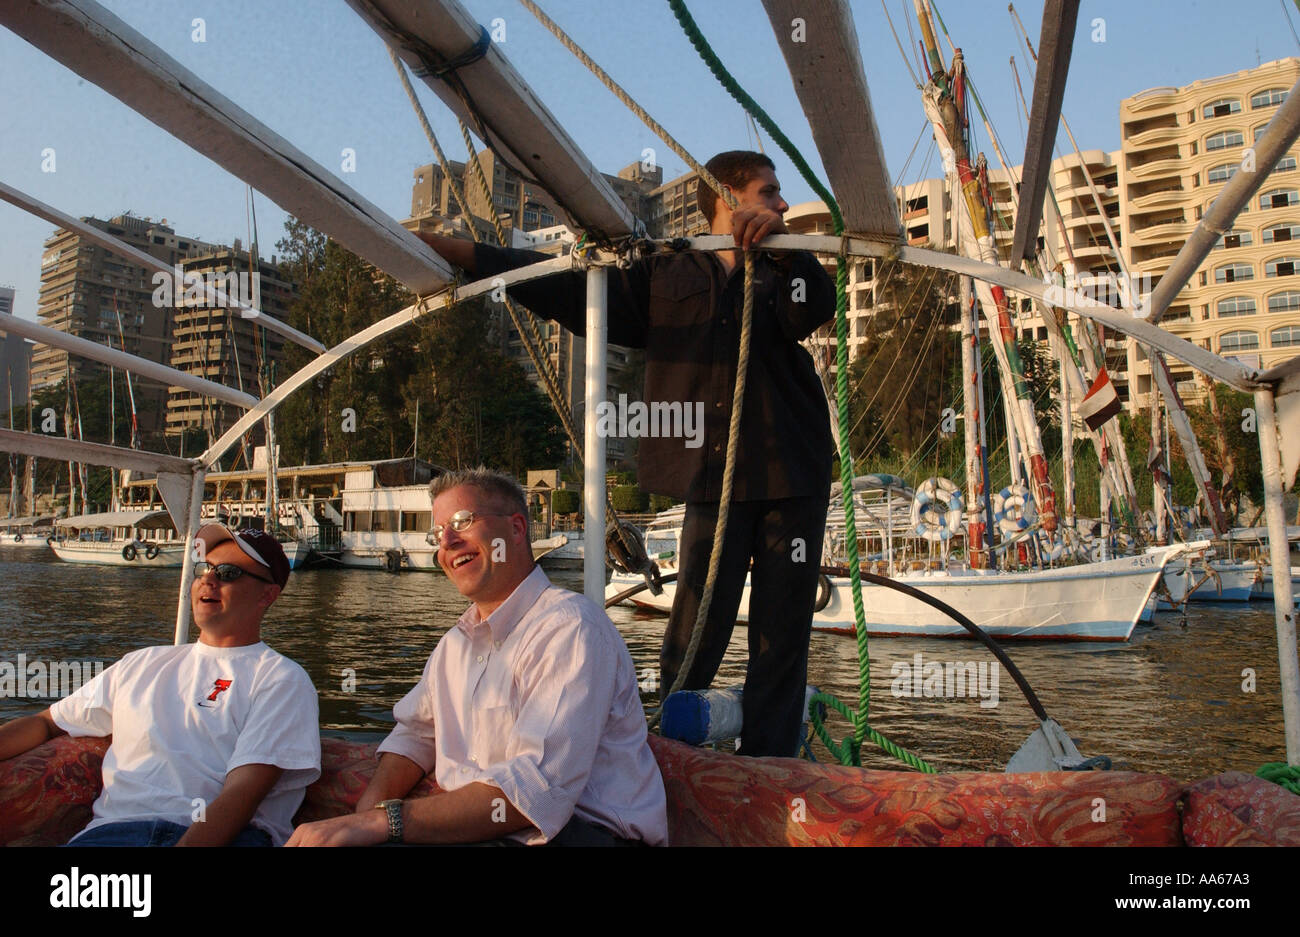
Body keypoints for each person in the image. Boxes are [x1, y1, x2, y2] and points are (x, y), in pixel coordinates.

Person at [411, 151, 836, 757]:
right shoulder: (666, 273)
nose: (782, 204)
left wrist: (786, 251)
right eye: (769, 192)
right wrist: (465, 254)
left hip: (791, 467)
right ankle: (671, 752)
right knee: (698, 611)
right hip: (711, 473)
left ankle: (769, 765)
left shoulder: (784, 268)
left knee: (783, 626)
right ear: (726, 196)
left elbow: (813, 309)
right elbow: (567, 288)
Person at [287, 468, 666, 846]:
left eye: (462, 522)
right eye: (437, 533)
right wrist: (366, 813)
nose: (447, 542)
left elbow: (536, 790)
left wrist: (384, 823)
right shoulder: (455, 646)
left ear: (516, 529)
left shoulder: (570, 628)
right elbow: (416, 733)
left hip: (579, 835)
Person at [0, 525, 320, 846]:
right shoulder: (141, 663)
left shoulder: (281, 678)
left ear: (267, 595)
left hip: (222, 837)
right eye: (203, 568)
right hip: (112, 834)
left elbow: (243, 792)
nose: (208, 579)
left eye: (228, 573)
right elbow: (46, 723)